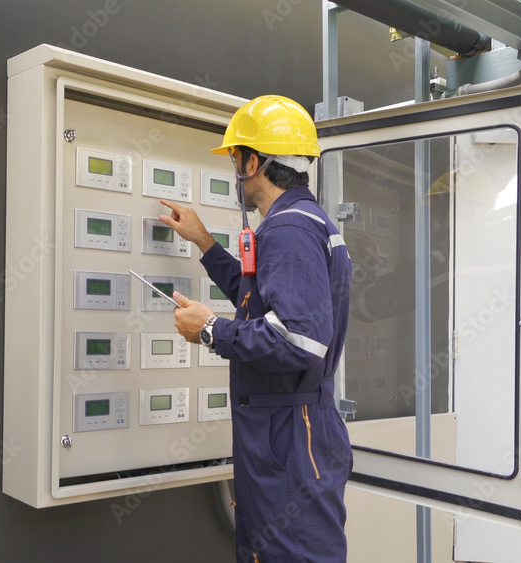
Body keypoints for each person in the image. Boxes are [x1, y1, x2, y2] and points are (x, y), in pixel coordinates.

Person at [158, 95, 353, 563]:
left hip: (288, 437)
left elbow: (300, 342)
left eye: (235, 159)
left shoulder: (288, 231)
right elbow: (260, 302)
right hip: (287, 431)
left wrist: (211, 330)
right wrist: (205, 243)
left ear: (253, 162)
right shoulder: (303, 223)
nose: (234, 171)